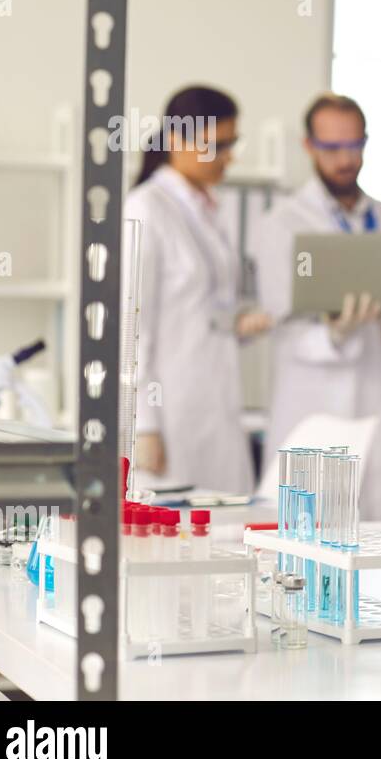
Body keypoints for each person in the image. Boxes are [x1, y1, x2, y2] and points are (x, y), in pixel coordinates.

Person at [255, 93, 381, 518]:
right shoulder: (283, 224)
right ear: (309, 146)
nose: (345, 158)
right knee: (307, 535)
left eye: (354, 145)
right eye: (332, 147)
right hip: (311, 403)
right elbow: (279, 319)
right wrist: (333, 333)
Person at [126, 85, 270, 493]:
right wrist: (144, 427)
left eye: (232, 143)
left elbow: (200, 312)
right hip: (169, 415)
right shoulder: (146, 208)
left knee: (227, 533)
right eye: (217, 145)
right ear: (176, 139)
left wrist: (241, 322)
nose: (229, 156)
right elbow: (131, 327)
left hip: (216, 405)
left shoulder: (207, 208)